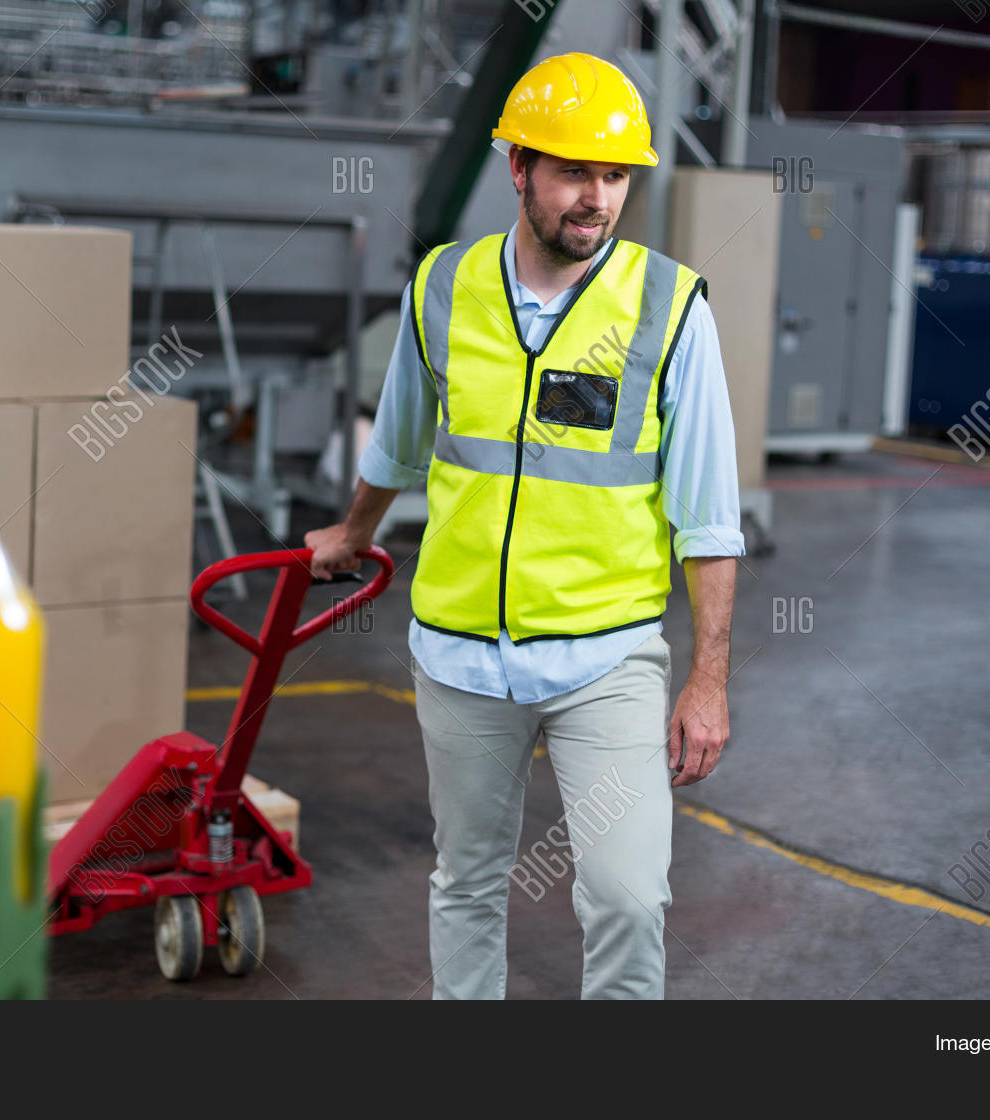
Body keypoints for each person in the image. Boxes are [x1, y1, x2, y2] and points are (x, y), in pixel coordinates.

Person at [305, 52, 744, 999]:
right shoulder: (443, 287)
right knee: (465, 886)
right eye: (574, 173)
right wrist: (353, 533)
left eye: (616, 175)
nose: (597, 198)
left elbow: (709, 517)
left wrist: (706, 680)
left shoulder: (669, 310)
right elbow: (399, 442)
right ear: (519, 170)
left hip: (606, 656)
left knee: (627, 898)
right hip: (461, 653)